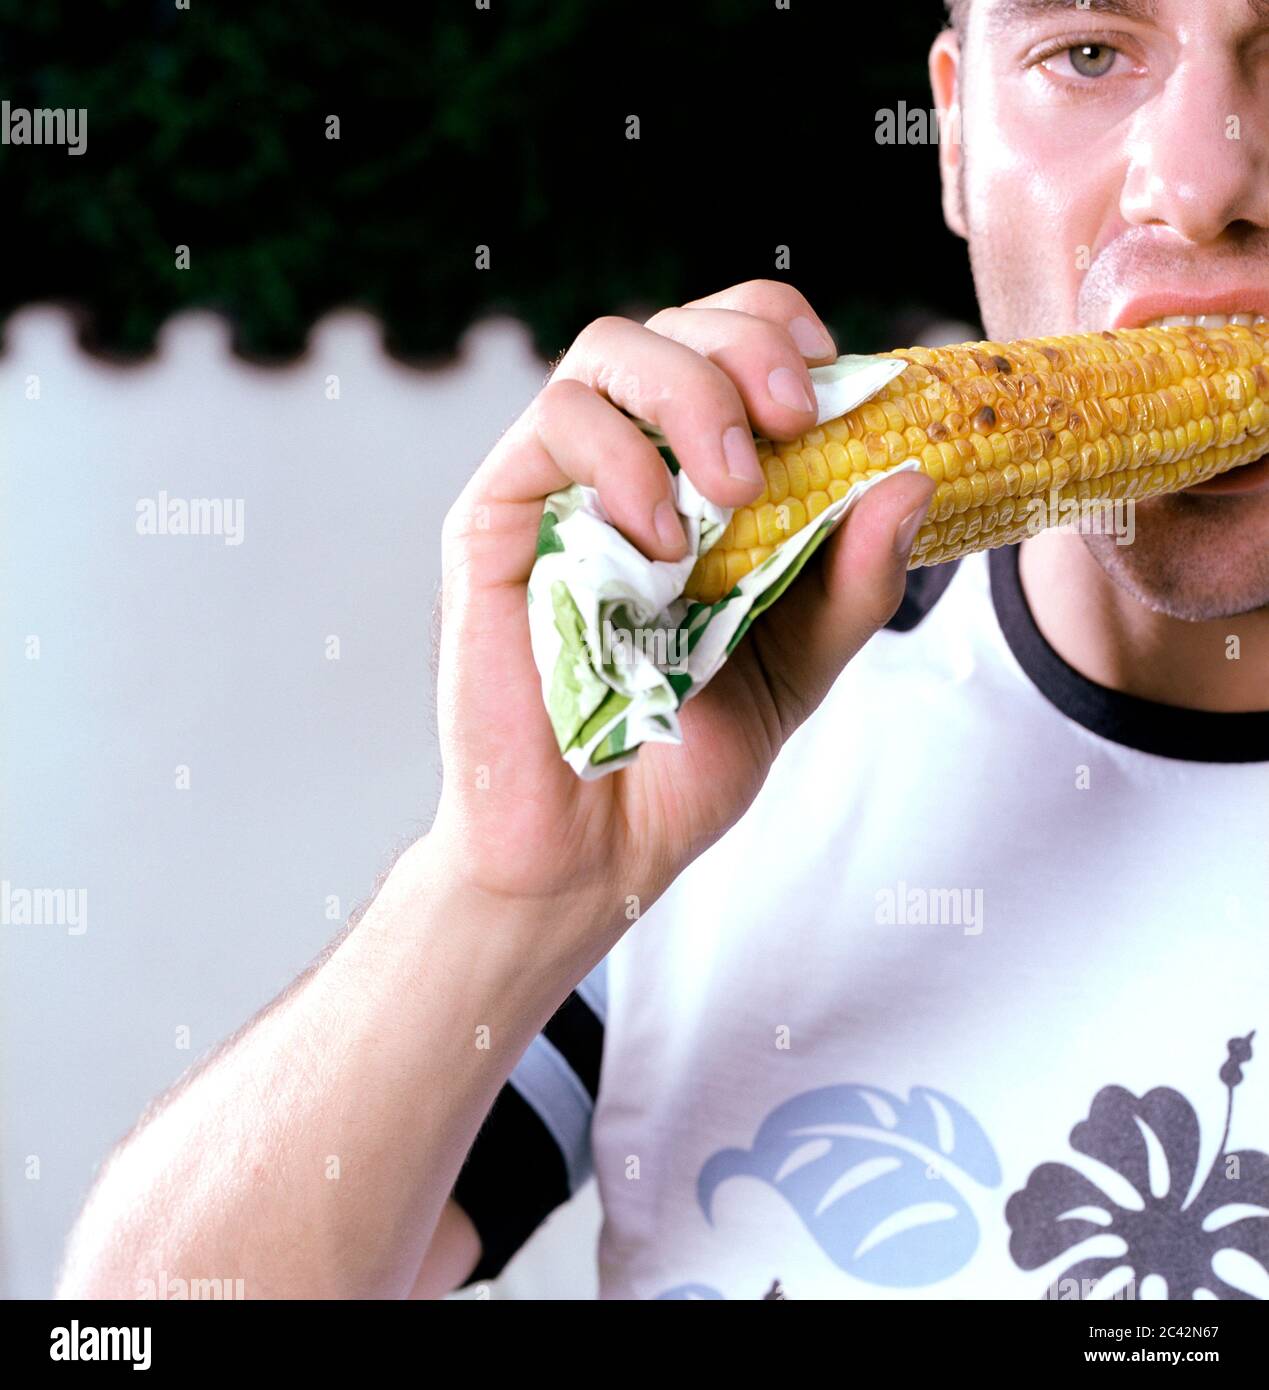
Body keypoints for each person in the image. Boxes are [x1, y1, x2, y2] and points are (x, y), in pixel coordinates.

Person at [59, 0, 1268, 1301]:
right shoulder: (715, 736)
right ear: (957, 133)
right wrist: (503, 895)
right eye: (1084, 51)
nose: (1198, 183)